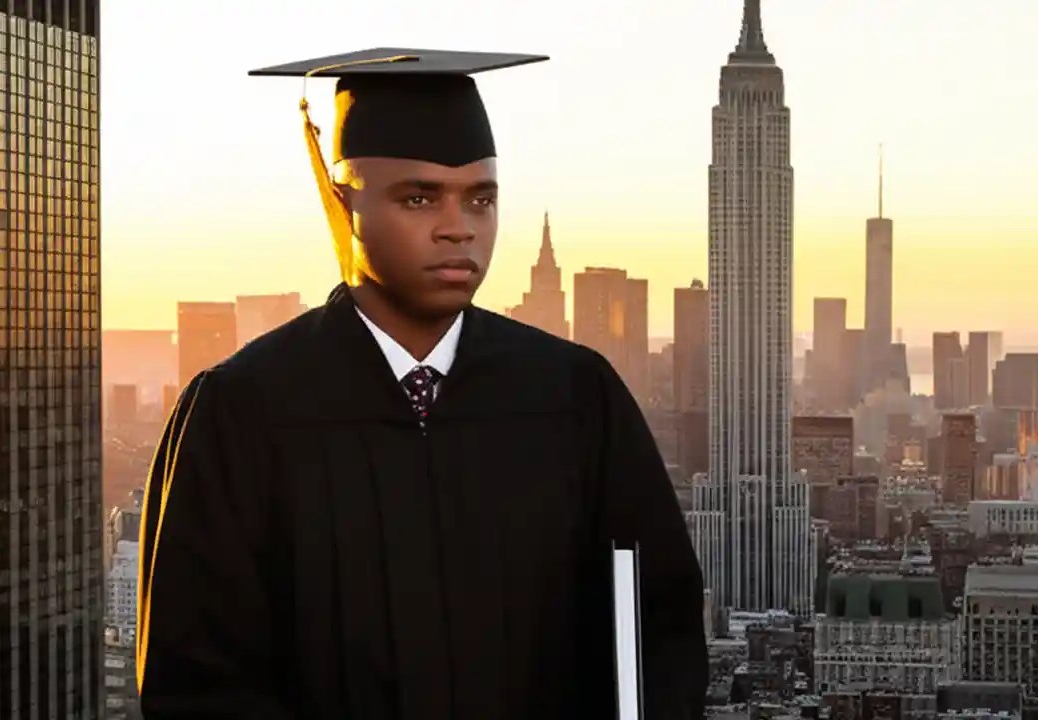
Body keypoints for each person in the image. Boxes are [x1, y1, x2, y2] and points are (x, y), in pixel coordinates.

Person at [135, 47, 708, 718]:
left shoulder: (576, 398)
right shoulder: (244, 412)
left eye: (480, 199)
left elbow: (655, 637)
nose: (457, 228)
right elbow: (199, 684)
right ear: (344, 202)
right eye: (418, 197)